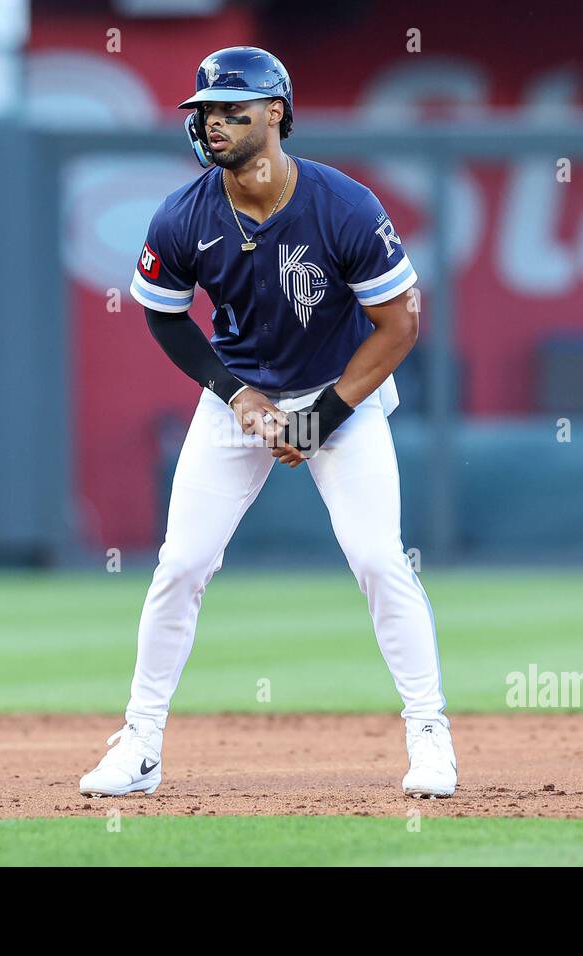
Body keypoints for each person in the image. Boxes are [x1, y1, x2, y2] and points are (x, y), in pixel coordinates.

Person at [80, 46, 455, 800]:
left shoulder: (342, 204)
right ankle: (140, 741)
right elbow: (165, 317)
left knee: (378, 559)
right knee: (181, 563)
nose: (213, 123)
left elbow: (401, 322)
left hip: (340, 395)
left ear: (276, 113)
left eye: (231, 110)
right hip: (239, 400)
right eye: (205, 111)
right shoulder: (185, 213)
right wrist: (233, 393)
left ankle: (429, 733)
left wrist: (324, 414)